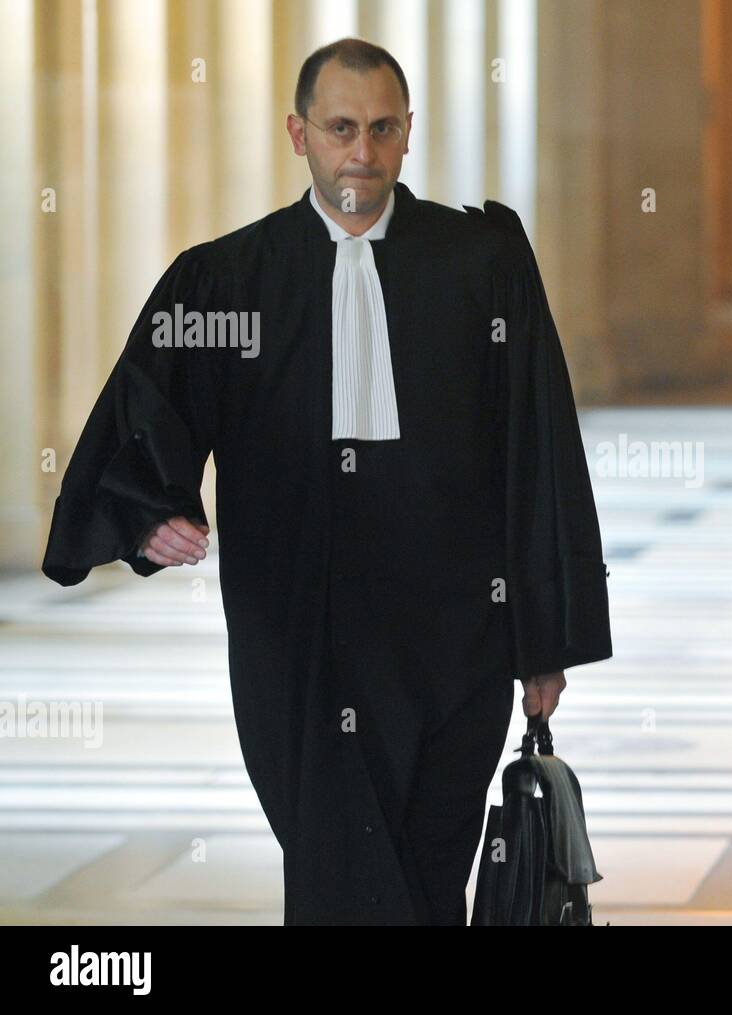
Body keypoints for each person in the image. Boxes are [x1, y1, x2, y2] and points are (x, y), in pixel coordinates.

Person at [40, 37, 613, 926]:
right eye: (341, 128)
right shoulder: (229, 280)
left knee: (429, 867)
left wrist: (546, 637)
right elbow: (149, 408)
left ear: (409, 132)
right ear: (298, 133)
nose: (362, 151)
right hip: (298, 638)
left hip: (457, 637)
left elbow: (538, 454)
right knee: (339, 863)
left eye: (382, 128)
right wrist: (150, 513)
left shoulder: (483, 266)